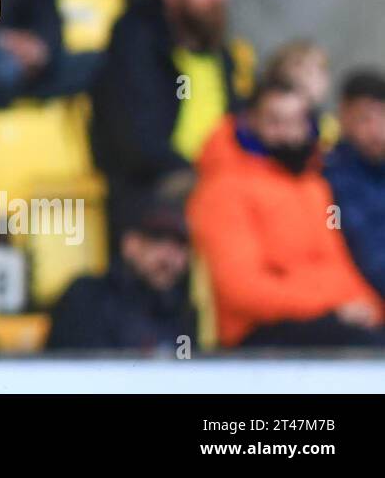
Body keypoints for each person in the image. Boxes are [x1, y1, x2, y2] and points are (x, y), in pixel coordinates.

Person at [189, 76, 385, 348]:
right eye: (275, 122)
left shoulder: (312, 185)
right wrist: (330, 307)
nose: (288, 133)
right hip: (263, 331)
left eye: (296, 121)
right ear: (250, 124)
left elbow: (338, 265)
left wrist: (371, 307)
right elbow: (241, 288)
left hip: (330, 320)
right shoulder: (223, 190)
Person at [89, 0, 249, 224]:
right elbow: (135, 143)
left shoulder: (219, 52)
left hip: (222, 178)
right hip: (155, 186)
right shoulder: (135, 41)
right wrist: (202, 172)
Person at [46, 190, 196, 352]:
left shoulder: (183, 313)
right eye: (157, 240)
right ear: (129, 243)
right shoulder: (87, 299)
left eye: (180, 245)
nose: (169, 258)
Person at [325, 69, 385, 300]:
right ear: (343, 116)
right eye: (365, 118)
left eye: (383, 117)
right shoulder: (329, 179)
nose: (377, 130)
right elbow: (363, 252)